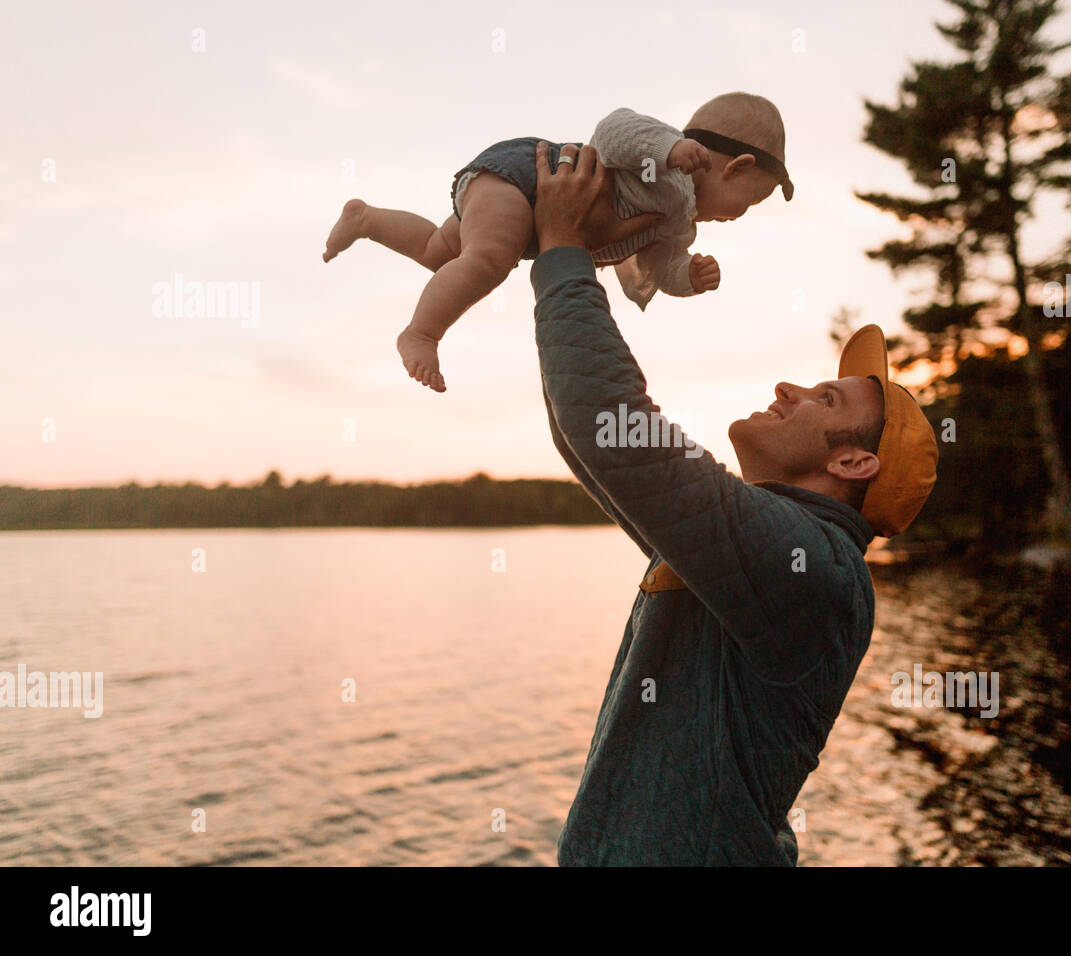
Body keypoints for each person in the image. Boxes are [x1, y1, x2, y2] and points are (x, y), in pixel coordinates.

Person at [527, 141, 939, 865]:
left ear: (852, 460)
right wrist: (565, 255)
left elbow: (606, 420)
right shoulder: (752, 549)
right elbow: (582, 431)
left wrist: (562, 253)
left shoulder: (811, 567)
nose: (789, 389)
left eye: (825, 398)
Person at [322, 92, 793, 391]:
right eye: (748, 204)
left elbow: (656, 263)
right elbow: (613, 131)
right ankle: (421, 333)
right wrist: (667, 150)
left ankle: (365, 219)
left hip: (530, 218)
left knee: (439, 253)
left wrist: (686, 276)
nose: (737, 217)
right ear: (738, 167)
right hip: (528, 178)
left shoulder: (679, 225)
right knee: (488, 261)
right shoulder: (668, 152)